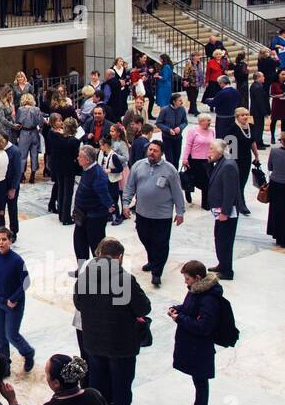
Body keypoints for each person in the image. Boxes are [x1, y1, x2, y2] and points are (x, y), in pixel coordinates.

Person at [74, 236, 151, 405]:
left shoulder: (84, 276)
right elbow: (143, 308)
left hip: (93, 342)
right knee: (121, 389)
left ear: (98, 254)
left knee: (98, 387)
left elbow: (78, 304)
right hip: (121, 343)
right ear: (119, 257)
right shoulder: (124, 279)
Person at [169, 260, 224, 405]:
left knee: (200, 380)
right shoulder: (197, 291)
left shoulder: (209, 298)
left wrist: (179, 318)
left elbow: (203, 327)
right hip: (194, 346)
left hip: (199, 348)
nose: (185, 282)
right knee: (198, 379)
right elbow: (190, 309)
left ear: (198, 278)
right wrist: (177, 309)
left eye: (187, 279)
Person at [121, 140, 185, 289]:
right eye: (150, 149)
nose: (151, 152)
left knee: (161, 244)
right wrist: (125, 204)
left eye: (155, 150)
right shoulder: (138, 166)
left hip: (162, 216)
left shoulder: (170, 170)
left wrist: (180, 211)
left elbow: (177, 192)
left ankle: (157, 272)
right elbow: (130, 186)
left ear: (161, 153)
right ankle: (153, 260)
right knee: (145, 237)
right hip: (142, 213)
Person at [0, 226, 36, 371]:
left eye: (4, 239)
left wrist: (14, 298)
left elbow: (26, 281)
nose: (1, 243)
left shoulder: (17, 260)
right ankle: (4, 364)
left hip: (14, 303)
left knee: (11, 334)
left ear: (10, 241)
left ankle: (28, 352)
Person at [205, 140, 247, 280]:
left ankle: (227, 270)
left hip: (226, 211)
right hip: (219, 209)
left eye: (211, 149)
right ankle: (222, 264)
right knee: (219, 237)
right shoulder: (222, 162)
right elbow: (211, 179)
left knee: (225, 241)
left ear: (219, 151)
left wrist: (225, 212)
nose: (209, 151)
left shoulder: (228, 165)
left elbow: (230, 192)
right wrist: (209, 163)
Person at [71, 145, 112, 273]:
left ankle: (100, 271)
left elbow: (104, 194)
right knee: (79, 242)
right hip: (82, 214)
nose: (78, 158)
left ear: (87, 160)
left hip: (94, 216)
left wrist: (109, 206)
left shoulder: (97, 174)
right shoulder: (87, 169)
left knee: (97, 245)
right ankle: (82, 269)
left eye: (80, 157)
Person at [180, 113, 214, 208]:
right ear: (200, 122)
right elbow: (188, 145)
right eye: (206, 121)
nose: (208, 123)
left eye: (209, 121)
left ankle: (205, 202)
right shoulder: (193, 131)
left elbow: (213, 145)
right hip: (195, 159)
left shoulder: (212, 131)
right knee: (193, 179)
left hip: (207, 160)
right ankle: (188, 190)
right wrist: (185, 158)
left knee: (207, 181)